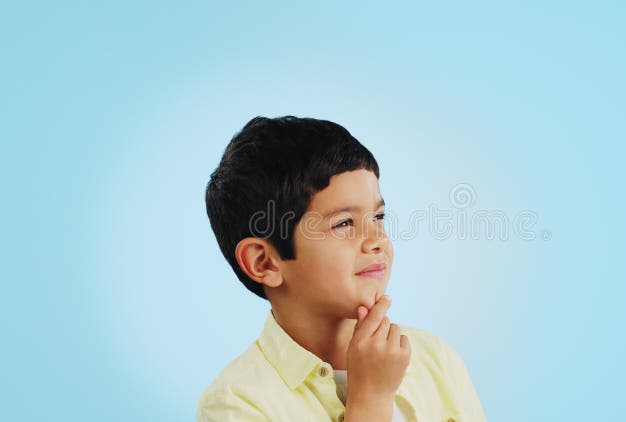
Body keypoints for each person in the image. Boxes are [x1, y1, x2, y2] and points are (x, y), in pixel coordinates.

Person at [197, 116, 486, 421]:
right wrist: (371, 398)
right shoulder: (236, 403)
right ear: (264, 262)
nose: (377, 241)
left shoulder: (435, 360)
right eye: (344, 223)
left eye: (378, 217)